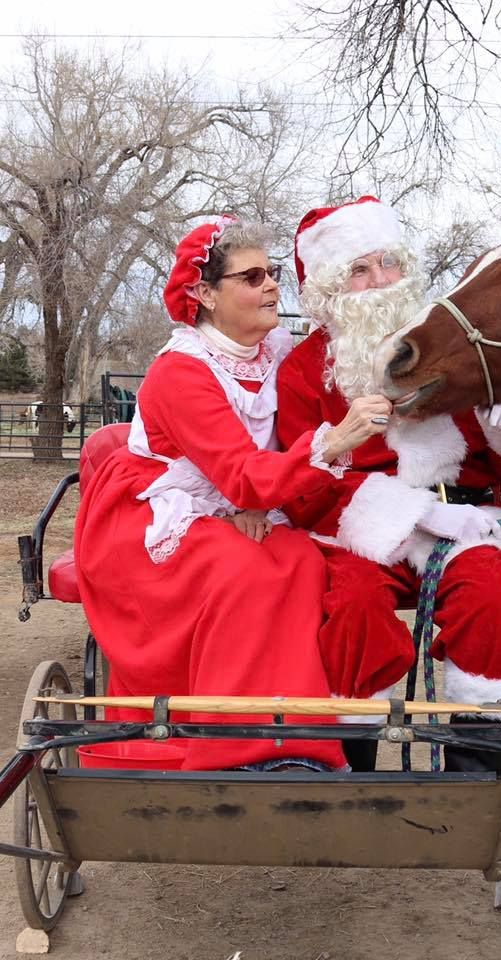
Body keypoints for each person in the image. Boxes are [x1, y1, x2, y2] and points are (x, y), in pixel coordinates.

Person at [74, 216, 388, 772]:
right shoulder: (181, 372)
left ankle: (291, 738)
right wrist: (335, 442)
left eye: (271, 274)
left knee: (299, 560)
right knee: (241, 569)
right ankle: (229, 740)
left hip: (246, 503)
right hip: (156, 515)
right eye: (251, 277)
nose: (270, 285)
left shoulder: (278, 352)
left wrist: (251, 503)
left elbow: (253, 473)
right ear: (205, 294)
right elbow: (239, 470)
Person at [276, 196, 501, 772]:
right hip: (358, 536)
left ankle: (478, 768)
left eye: (388, 263)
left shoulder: (451, 344)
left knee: (491, 596)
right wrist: (411, 515)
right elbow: (306, 491)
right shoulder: (302, 371)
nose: (379, 281)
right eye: (359, 270)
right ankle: (350, 762)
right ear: (329, 291)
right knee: (351, 607)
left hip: (468, 523)